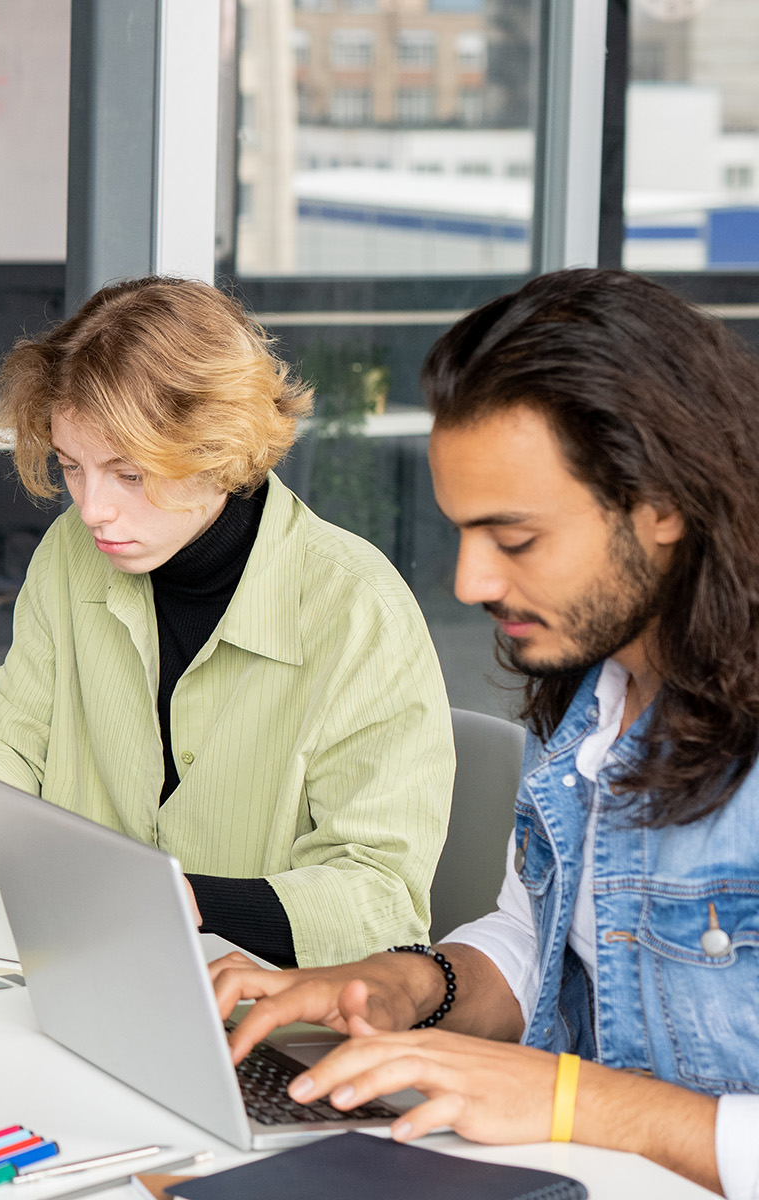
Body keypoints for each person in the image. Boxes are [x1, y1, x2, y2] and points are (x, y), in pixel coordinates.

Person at [212, 269, 759, 1197]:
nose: (468, 582)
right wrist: (411, 985)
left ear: (662, 504)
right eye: (463, 531)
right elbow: (540, 937)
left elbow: (583, 1093)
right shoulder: (604, 693)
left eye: (514, 539)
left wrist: (568, 1098)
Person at [0, 277, 454, 968]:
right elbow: (8, 744)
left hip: (276, 1021)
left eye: (128, 475)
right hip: (82, 970)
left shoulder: (357, 608)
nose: (93, 508)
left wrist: (186, 902)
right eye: (73, 467)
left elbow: (382, 898)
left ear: (220, 448)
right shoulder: (70, 555)